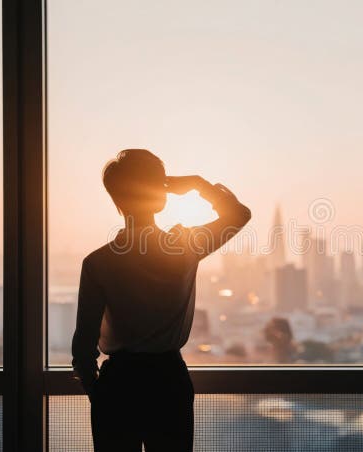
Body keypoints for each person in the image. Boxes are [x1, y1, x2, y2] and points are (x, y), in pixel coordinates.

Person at [71, 149, 251, 451]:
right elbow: (239, 215)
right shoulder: (184, 247)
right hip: (168, 380)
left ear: (115, 199)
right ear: (161, 192)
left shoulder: (98, 263)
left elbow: (84, 343)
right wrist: (197, 184)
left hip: (118, 384)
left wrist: (98, 392)